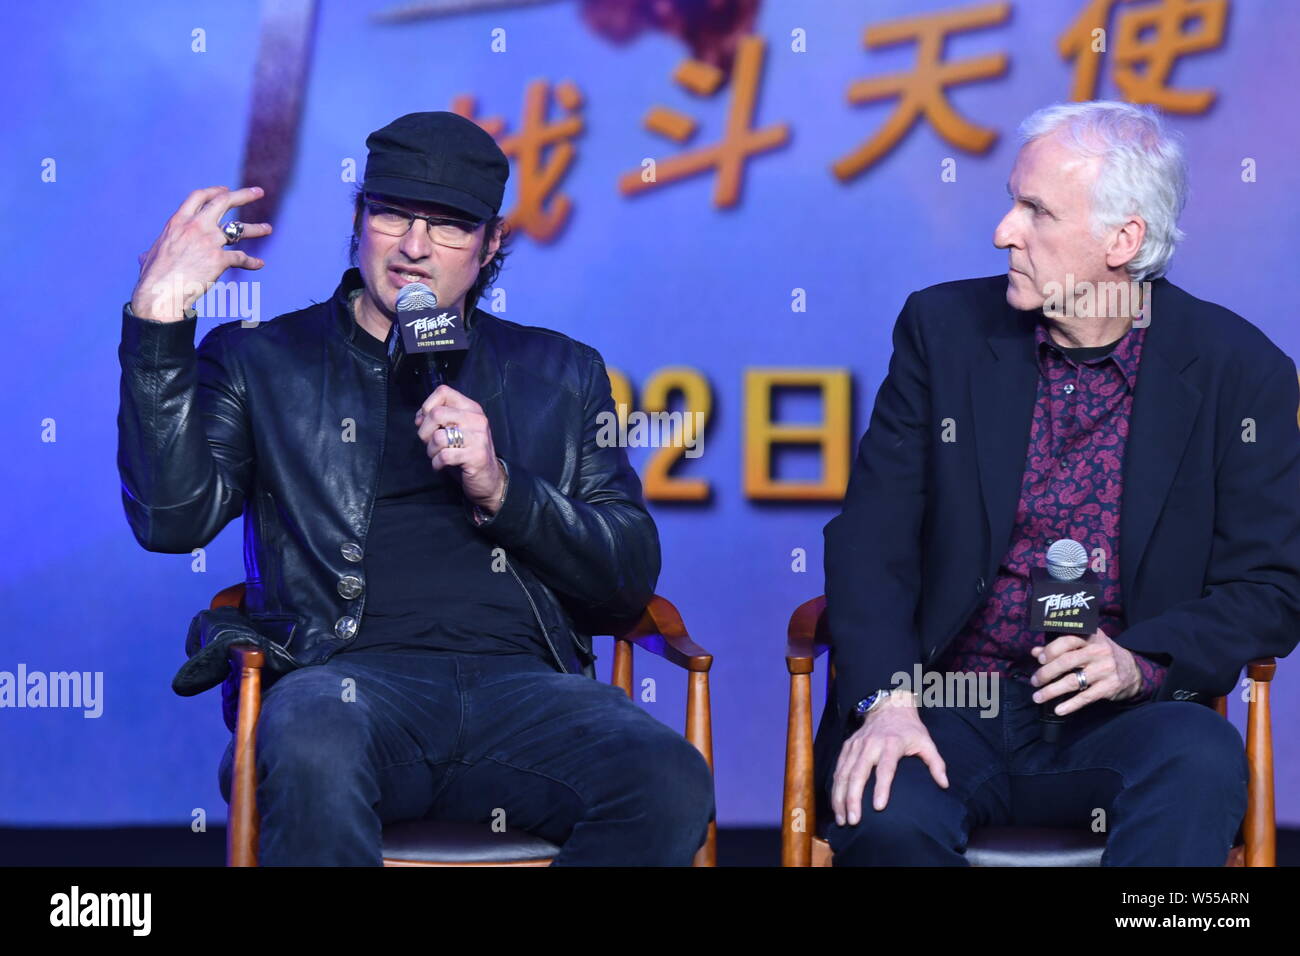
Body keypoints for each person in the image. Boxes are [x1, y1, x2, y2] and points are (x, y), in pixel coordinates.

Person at [117, 110, 714, 865]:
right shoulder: (262, 362)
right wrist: (158, 324)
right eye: (392, 212)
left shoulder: (561, 374)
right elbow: (170, 521)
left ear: (494, 243)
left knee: (666, 777)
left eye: (449, 226)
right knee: (311, 739)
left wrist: (503, 488)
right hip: (347, 685)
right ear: (360, 218)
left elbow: (626, 577)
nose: (414, 247)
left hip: (526, 694)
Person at [818, 100, 1300, 866]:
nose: (1003, 231)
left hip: (1121, 717)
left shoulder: (1240, 373)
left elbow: (1271, 587)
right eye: (1012, 201)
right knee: (884, 811)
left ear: (1124, 239)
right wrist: (886, 700)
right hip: (945, 705)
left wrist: (1139, 661)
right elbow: (870, 541)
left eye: (1035, 211)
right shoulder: (943, 333)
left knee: (1201, 763)